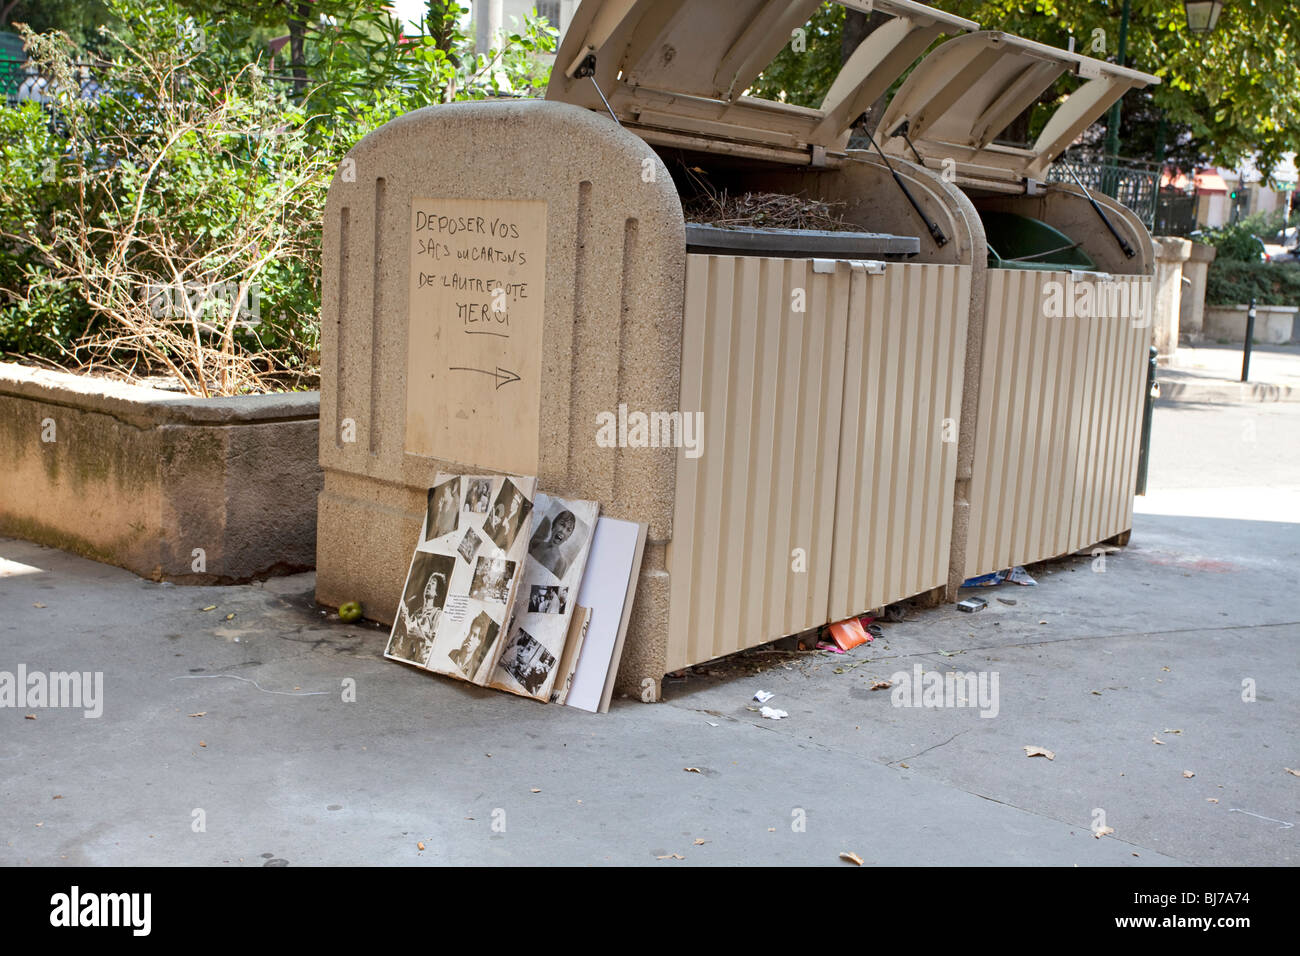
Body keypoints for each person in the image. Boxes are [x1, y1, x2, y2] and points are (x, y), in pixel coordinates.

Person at [530, 509, 576, 579]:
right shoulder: (535, 543)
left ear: (568, 537)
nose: (563, 531)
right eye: (562, 524)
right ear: (554, 525)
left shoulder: (561, 563)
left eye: (568, 530)